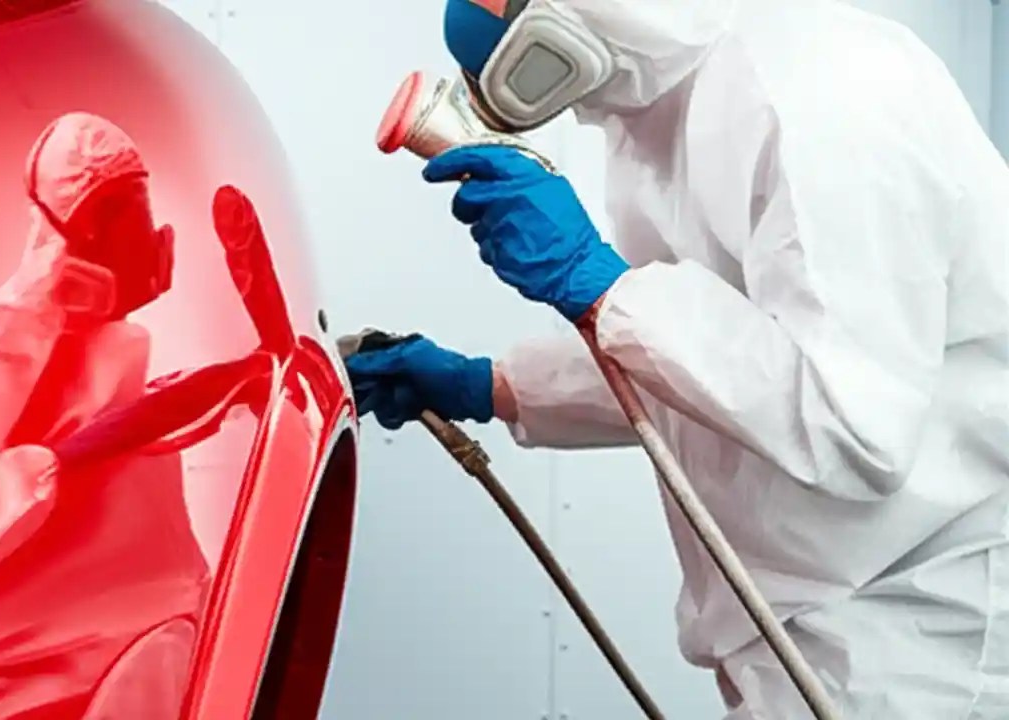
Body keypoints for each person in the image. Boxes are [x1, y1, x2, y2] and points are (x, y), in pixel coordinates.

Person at [345, 1, 1009, 718]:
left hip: (917, 630)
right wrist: (493, 387)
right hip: (801, 626)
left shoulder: (821, 87)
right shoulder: (654, 106)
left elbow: (849, 420)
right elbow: (700, 368)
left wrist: (601, 288)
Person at [0, 112, 204, 718]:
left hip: (152, 642)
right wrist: (56, 464)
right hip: (32, 682)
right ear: (83, 232)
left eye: (146, 210)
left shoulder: (121, 346)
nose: (150, 237)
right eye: (129, 214)